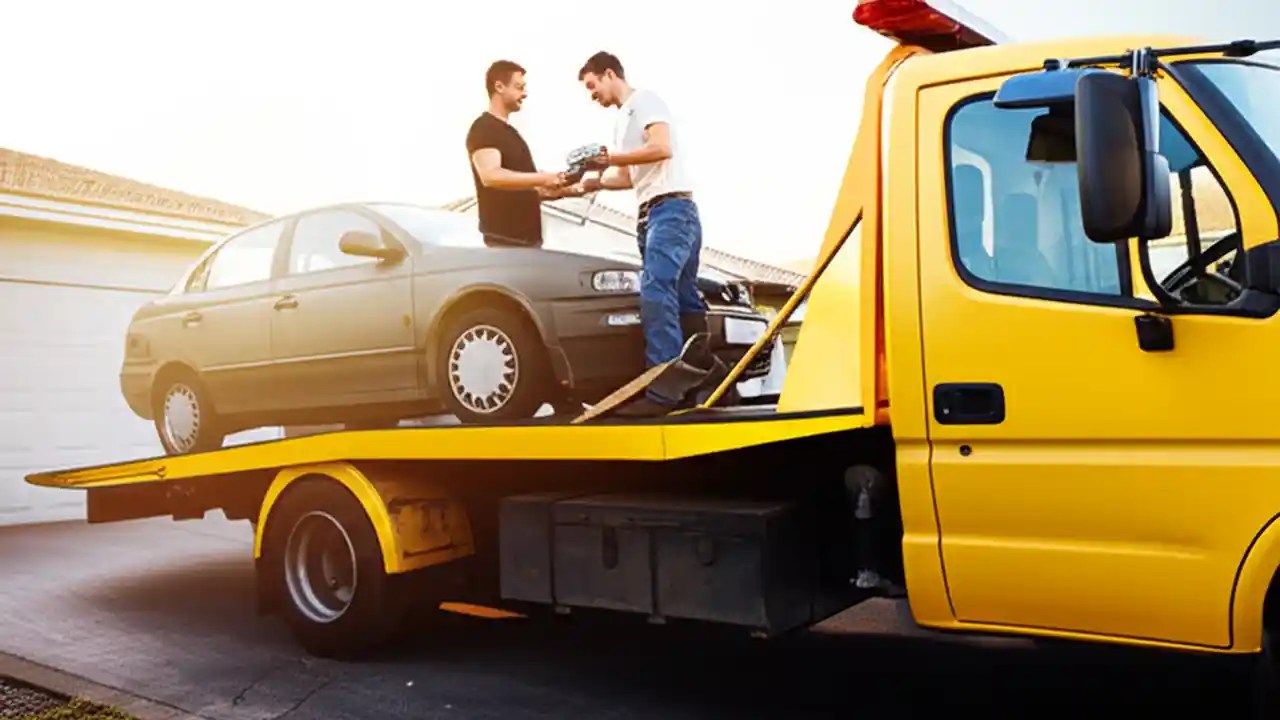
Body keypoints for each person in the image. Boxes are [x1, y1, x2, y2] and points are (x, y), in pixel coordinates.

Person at [575, 51, 713, 416]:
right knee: (683, 296)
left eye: (592, 86)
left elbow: (661, 147)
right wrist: (590, 182)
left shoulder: (645, 101)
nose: (592, 95)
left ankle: (663, 390)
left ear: (609, 74)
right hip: (656, 213)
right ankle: (703, 380)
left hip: (670, 210)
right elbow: (626, 176)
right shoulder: (623, 121)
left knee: (656, 290)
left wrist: (609, 158)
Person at [466, 60, 584, 248]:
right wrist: (544, 178)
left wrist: (568, 189)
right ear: (499, 87)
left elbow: (524, 188)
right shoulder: (484, 128)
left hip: (528, 243)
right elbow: (490, 176)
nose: (525, 94)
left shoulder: (512, 134)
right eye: (519, 87)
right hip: (505, 244)